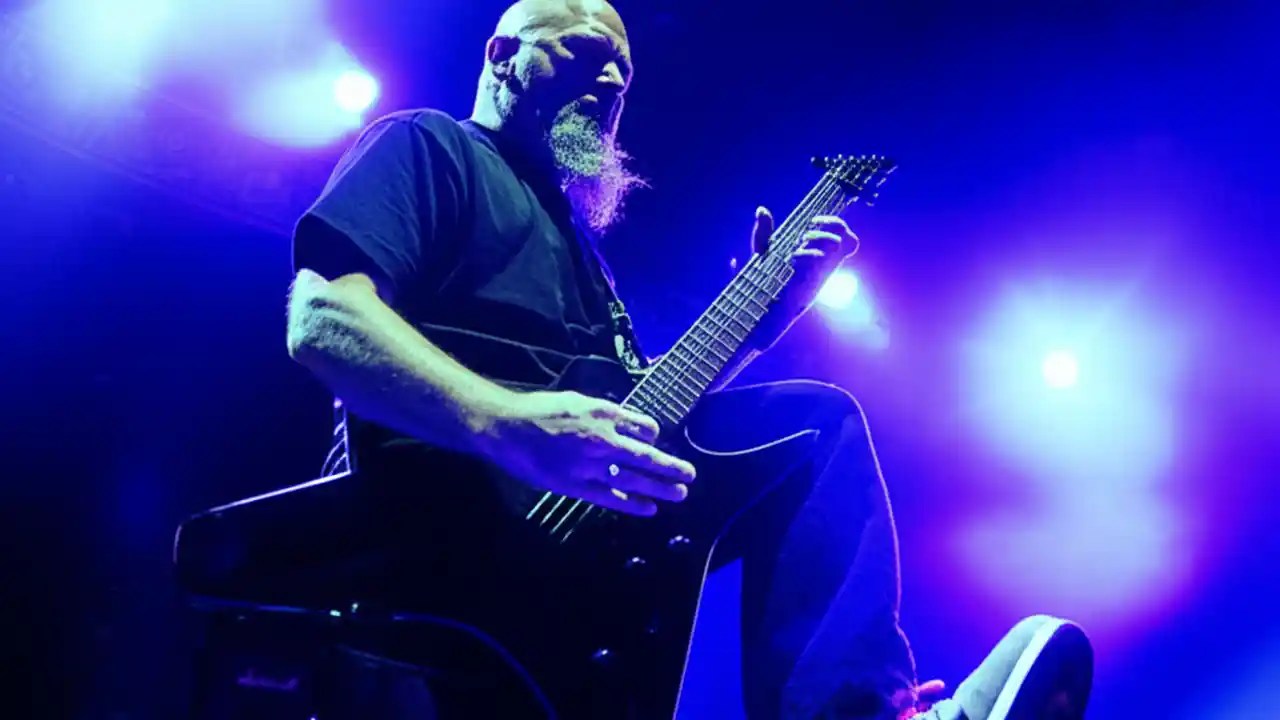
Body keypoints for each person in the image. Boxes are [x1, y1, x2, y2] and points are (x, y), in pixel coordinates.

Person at [283, 0, 1095, 718]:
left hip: (569, 583)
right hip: (436, 544)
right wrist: (507, 424)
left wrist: (766, 320)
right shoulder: (429, 146)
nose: (611, 82)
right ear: (502, 56)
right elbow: (323, 318)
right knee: (819, 423)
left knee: (813, 434)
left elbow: (647, 415)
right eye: (585, 52)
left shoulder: (583, 254)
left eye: (624, 74)